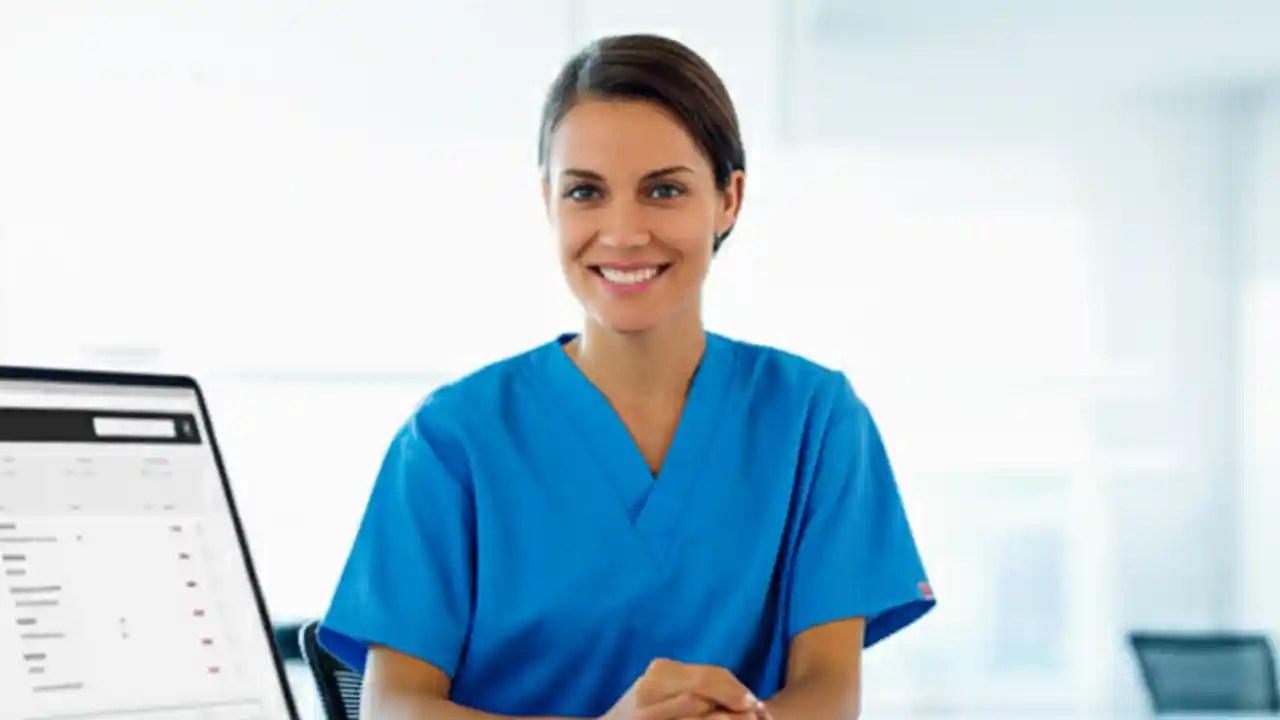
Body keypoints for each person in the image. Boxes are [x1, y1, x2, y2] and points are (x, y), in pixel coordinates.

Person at [318, 33, 935, 720]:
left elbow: (828, 692)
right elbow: (393, 707)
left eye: (664, 190)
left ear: (729, 200)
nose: (623, 233)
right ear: (550, 202)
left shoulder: (814, 420)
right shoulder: (451, 437)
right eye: (586, 192)